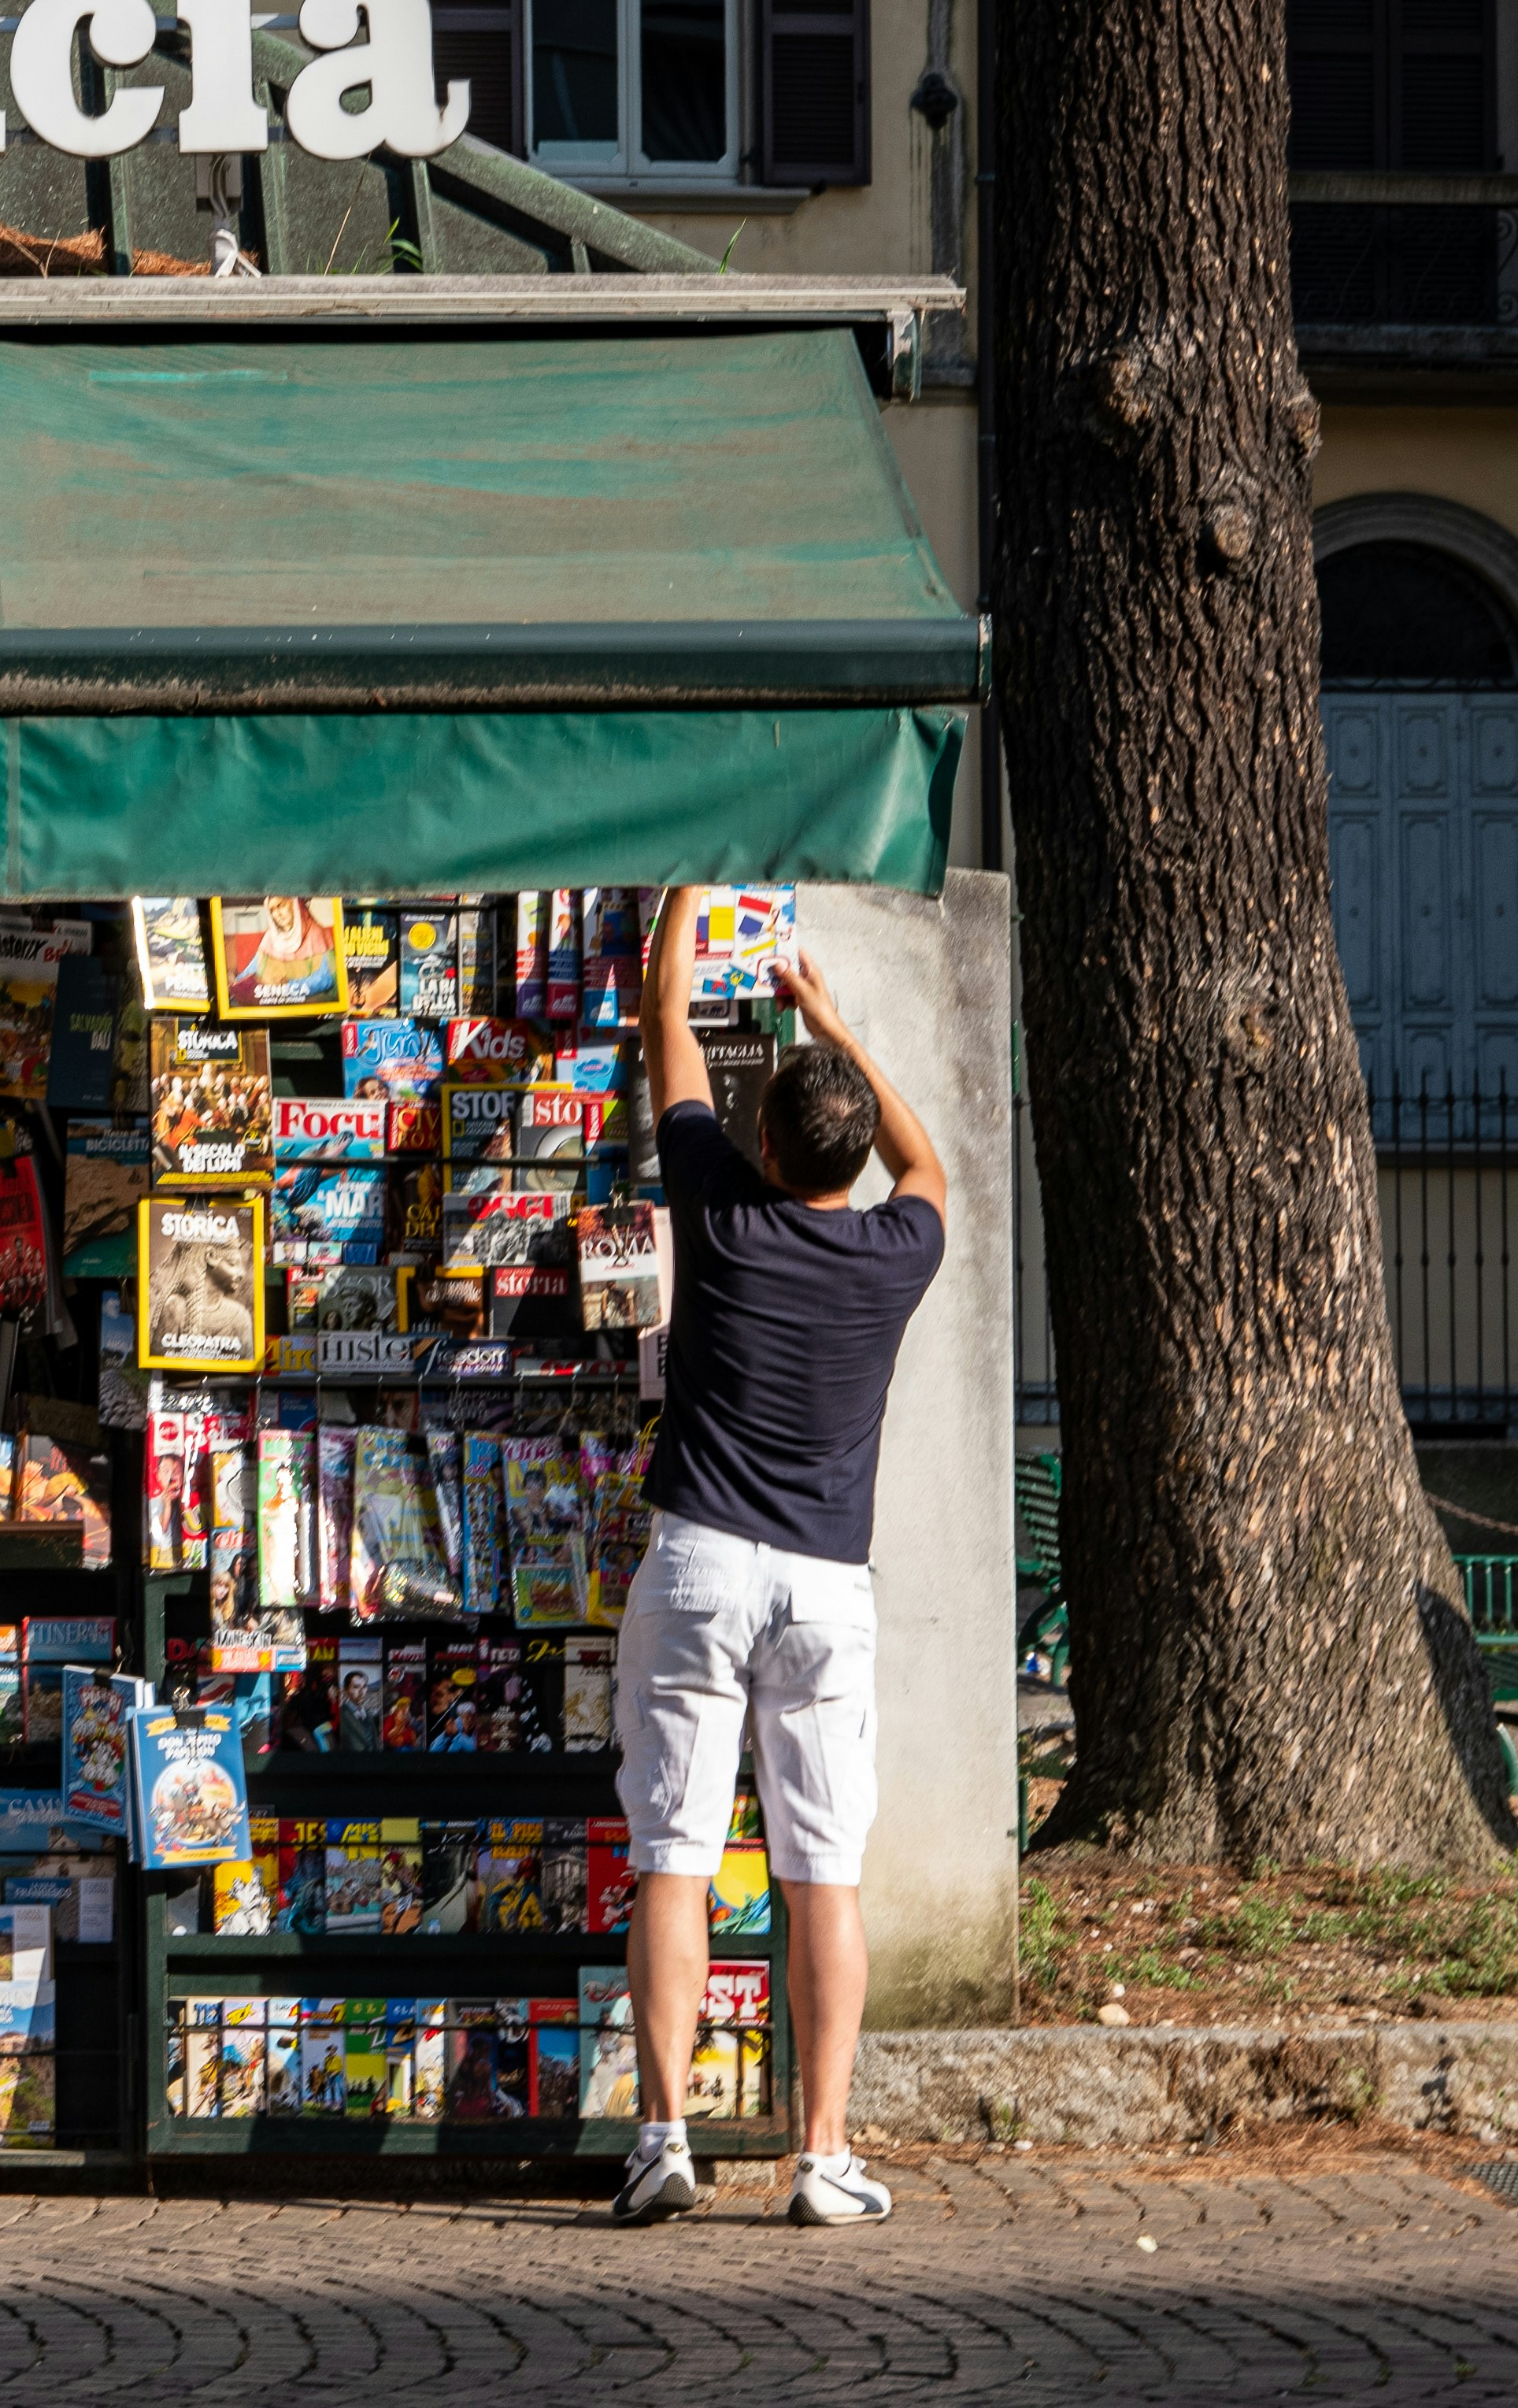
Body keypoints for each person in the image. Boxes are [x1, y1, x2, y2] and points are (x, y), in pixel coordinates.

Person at [613, 889, 949, 2229]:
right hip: (824, 1590)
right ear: (851, 1165)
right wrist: (831, 1020)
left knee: (674, 1855)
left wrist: (686, 903)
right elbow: (928, 1166)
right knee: (823, 1872)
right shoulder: (893, 1249)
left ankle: (663, 2138)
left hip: (697, 1562)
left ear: (758, 1139)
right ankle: (820, 2152)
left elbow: (666, 1028)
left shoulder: (721, 1218)